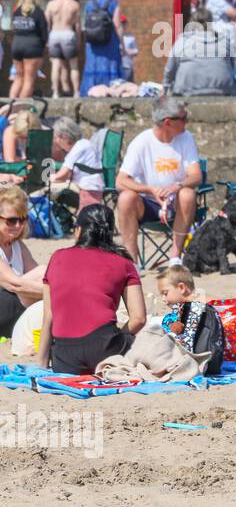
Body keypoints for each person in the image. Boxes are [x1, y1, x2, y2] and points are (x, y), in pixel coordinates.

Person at [39, 204, 145, 374]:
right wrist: (119, 335)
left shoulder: (57, 257)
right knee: (152, 338)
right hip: (105, 349)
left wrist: (42, 366)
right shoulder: (124, 263)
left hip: (65, 358)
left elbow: (48, 317)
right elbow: (139, 319)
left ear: (78, 230)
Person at [115, 97, 202, 267]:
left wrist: (178, 186)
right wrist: (150, 189)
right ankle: (131, 261)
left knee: (187, 194)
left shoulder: (186, 138)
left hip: (176, 204)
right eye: (183, 118)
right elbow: (121, 180)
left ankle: (175, 258)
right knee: (125, 198)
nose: (187, 121)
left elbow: (196, 176)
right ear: (168, 122)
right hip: (148, 204)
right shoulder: (142, 142)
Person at [0, 185, 44, 339]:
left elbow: (42, 275)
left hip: (12, 308)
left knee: (44, 273)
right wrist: (57, 293)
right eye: (11, 221)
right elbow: (14, 284)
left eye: (22, 219)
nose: (18, 226)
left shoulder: (17, 246)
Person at [163, 7, 236, 96]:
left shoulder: (183, 40)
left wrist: (165, 88)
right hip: (222, 89)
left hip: (187, 89)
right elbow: (232, 65)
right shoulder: (224, 40)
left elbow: (170, 69)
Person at [81, 0, 125, 96]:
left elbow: (85, 23)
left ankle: (90, 91)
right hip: (109, 42)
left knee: (92, 66)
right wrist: (123, 44)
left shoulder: (89, 4)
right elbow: (117, 24)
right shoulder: (113, 3)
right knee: (110, 66)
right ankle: (110, 92)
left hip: (93, 43)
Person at [51, 124, 107, 210]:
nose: (55, 141)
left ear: (65, 137)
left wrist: (48, 179)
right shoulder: (83, 143)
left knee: (46, 191)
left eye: (56, 138)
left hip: (88, 189)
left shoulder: (78, 148)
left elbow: (63, 174)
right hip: (92, 187)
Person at [9, 0, 49, 100]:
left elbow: (13, 28)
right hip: (32, 46)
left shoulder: (17, 11)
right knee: (29, 79)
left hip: (17, 44)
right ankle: (20, 108)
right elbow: (44, 33)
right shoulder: (38, 12)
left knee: (18, 77)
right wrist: (43, 47)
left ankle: (10, 105)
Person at [44, 0, 80, 98]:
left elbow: (47, 23)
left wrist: (47, 38)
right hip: (68, 33)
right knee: (73, 65)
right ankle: (76, 92)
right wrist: (78, 40)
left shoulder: (51, 4)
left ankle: (55, 92)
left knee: (55, 64)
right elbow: (78, 25)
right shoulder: (74, 4)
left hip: (54, 33)